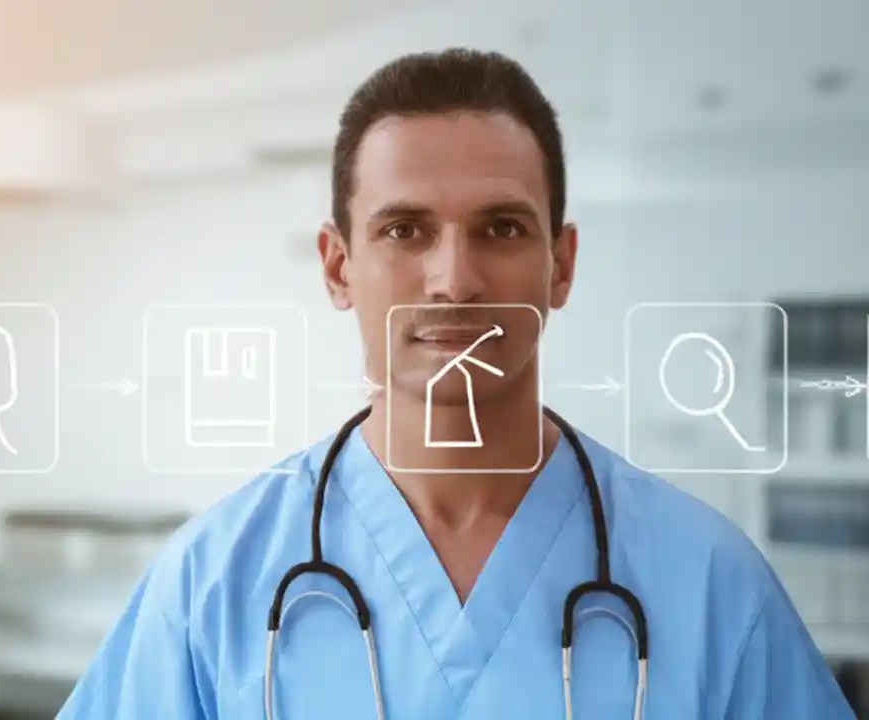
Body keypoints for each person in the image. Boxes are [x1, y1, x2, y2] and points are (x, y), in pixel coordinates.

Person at [57, 49, 854, 719]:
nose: (453, 279)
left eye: (501, 229)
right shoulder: (211, 584)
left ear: (561, 265)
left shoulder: (711, 584)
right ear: (338, 267)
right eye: (404, 230)